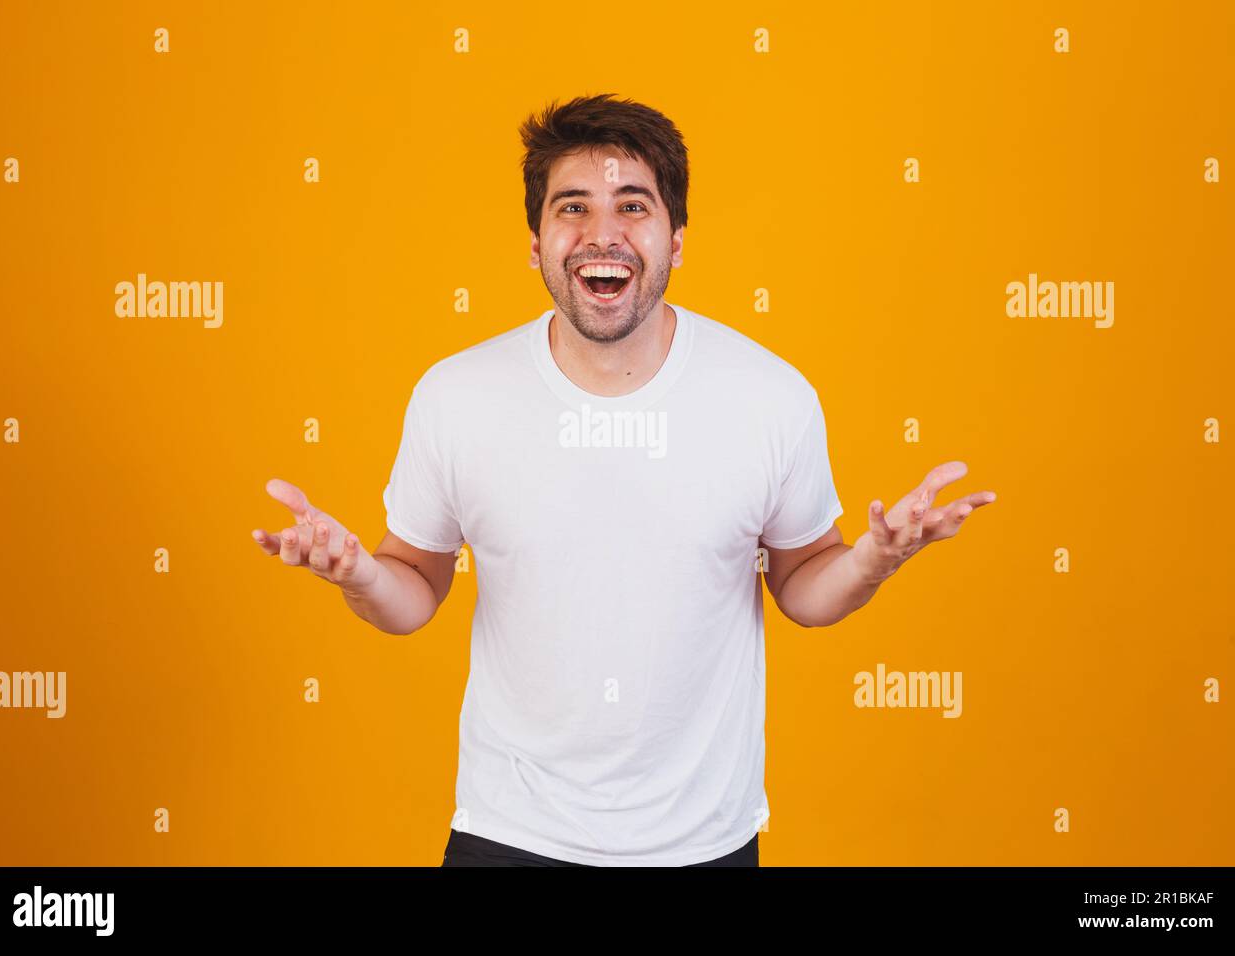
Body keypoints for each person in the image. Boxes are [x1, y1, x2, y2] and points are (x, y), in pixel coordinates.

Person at [251, 93, 996, 867]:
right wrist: (359, 574)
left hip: (703, 843)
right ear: (535, 242)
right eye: (572, 207)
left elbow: (804, 587)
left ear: (676, 239)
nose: (600, 234)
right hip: (511, 833)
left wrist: (877, 557)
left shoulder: (769, 396)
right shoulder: (457, 396)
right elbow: (413, 592)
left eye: (632, 206)